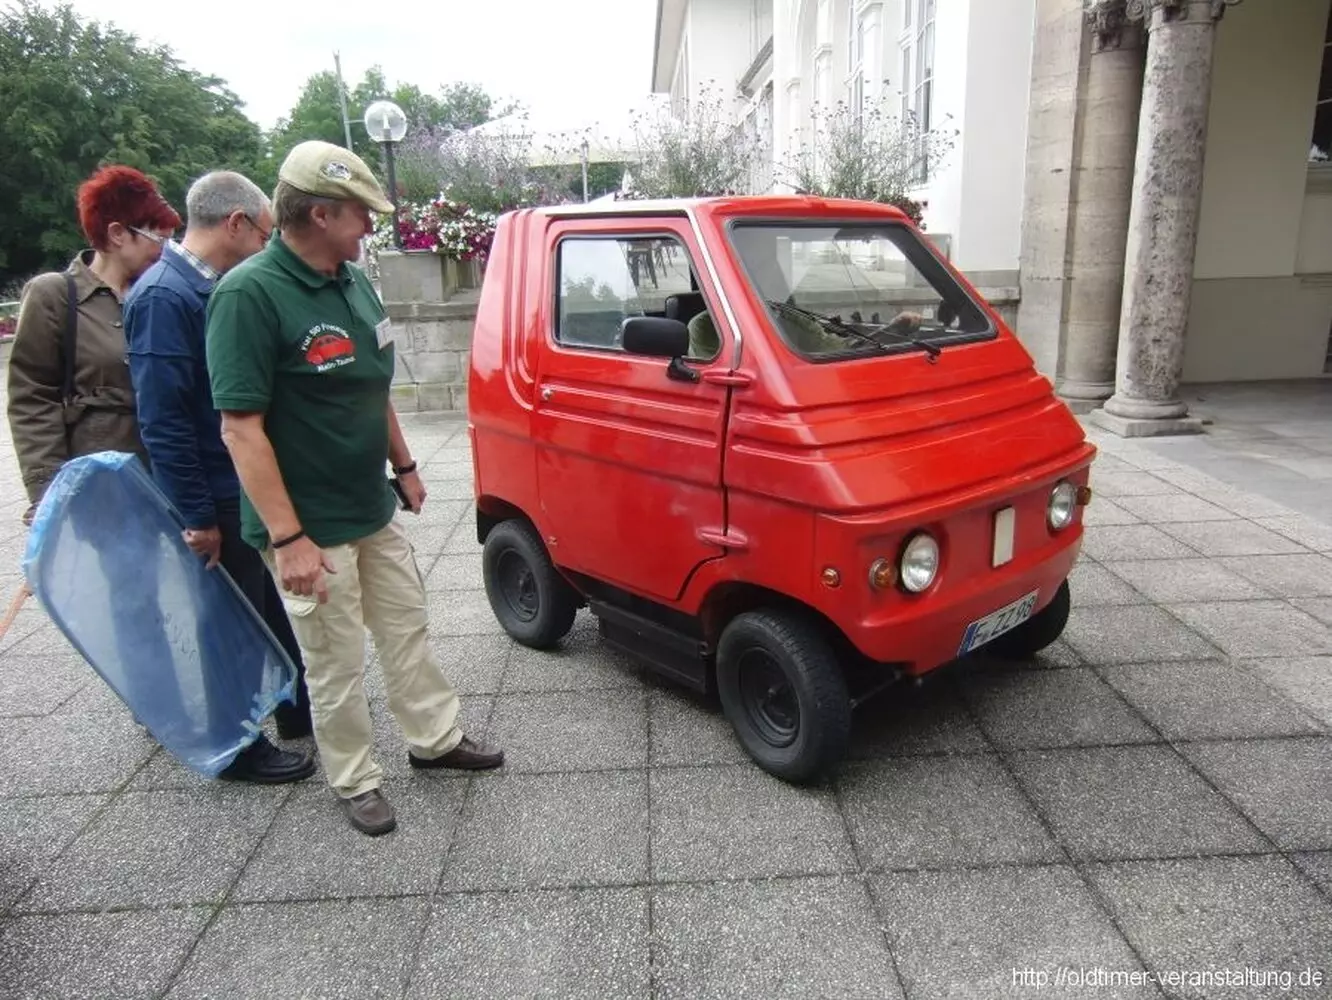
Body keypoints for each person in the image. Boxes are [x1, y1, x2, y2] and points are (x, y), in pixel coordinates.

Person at [205, 140, 504, 836]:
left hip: (370, 505)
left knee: (407, 630)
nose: (371, 226)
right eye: (359, 214)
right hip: (309, 525)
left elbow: (374, 385)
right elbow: (240, 431)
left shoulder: (353, 281)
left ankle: (434, 740)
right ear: (317, 213)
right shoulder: (248, 296)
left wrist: (404, 465)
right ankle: (354, 779)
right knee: (334, 663)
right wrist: (289, 539)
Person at [123, 170, 316, 784]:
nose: (266, 244)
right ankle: (236, 746)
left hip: (235, 485)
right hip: (213, 490)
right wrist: (198, 517)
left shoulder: (197, 287)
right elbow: (163, 421)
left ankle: (294, 707)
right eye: (262, 232)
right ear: (235, 222)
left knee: (264, 611)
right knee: (227, 623)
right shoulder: (163, 296)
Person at [8, 165, 179, 517]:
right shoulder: (54, 295)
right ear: (117, 234)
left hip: (166, 486)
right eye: (158, 239)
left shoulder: (157, 294)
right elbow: (32, 400)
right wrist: (49, 497)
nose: (165, 250)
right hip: (97, 494)